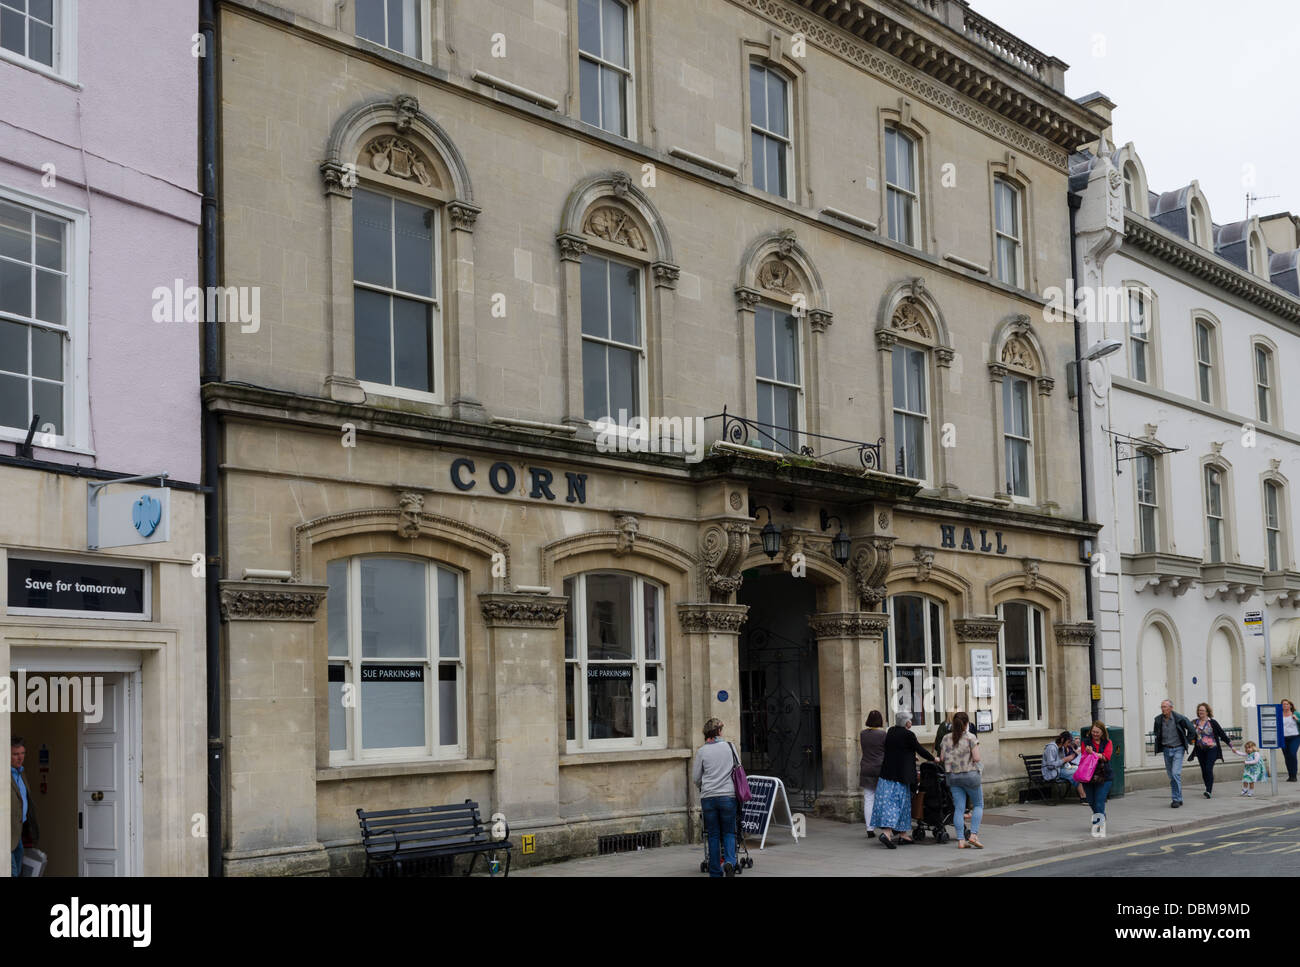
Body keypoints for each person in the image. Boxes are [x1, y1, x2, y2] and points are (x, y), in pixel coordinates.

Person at [871, 710, 935, 848]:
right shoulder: (909, 734)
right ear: (906, 722)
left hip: (886, 774)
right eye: (910, 720)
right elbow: (919, 749)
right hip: (900, 777)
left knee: (889, 804)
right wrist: (933, 758)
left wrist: (911, 755)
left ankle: (903, 835)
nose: (911, 722)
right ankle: (887, 834)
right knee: (898, 805)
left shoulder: (891, 732)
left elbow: (897, 750)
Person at [692, 717, 739, 877]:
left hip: (709, 797)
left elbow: (696, 778)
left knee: (712, 835)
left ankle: (715, 871)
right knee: (729, 832)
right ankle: (730, 862)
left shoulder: (702, 751)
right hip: (728, 796)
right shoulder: (730, 747)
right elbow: (738, 768)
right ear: (718, 731)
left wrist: (704, 786)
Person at [938, 711, 983, 849]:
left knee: (958, 808)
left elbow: (942, 758)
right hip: (970, 776)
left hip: (953, 776)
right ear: (966, 724)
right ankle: (973, 835)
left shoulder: (946, 738)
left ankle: (960, 840)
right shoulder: (970, 737)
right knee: (978, 805)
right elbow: (976, 758)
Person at [1152, 699, 1196, 808]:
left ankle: (1175, 799)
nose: (1163, 709)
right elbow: (1156, 732)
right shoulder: (1158, 720)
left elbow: (1192, 730)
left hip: (1178, 748)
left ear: (1171, 708)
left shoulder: (1180, 718)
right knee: (1171, 775)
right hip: (1167, 749)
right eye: (1162, 707)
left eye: (1165, 707)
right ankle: (1179, 797)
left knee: (1176, 773)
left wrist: (1187, 740)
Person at [1188, 702, 1238, 799]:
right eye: (1199, 710)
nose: (1200, 712)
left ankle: (1208, 790)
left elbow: (1222, 735)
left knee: (1208, 768)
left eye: (1202, 710)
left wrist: (1232, 746)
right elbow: (1189, 733)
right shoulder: (1194, 723)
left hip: (1212, 749)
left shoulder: (1212, 723)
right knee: (1203, 770)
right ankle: (1207, 786)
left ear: (1207, 712)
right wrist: (1189, 740)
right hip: (1200, 749)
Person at [10, 737, 38, 878]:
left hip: (18, 833)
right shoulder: (5, 775)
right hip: (6, 835)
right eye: (15, 754)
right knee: (12, 872)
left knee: (18, 871)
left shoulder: (21, 773)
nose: (20, 757)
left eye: (22, 753)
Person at [1080, 721, 1114, 833]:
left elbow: (1106, 757)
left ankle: (1098, 825)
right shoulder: (1085, 742)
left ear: (1103, 732)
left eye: (1097, 732)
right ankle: (1102, 816)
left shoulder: (1108, 742)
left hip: (1104, 776)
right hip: (1088, 776)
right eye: (1093, 732)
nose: (1095, 734)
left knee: (1099, 802)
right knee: (1091, 801)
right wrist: (1095, 754)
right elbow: (1084, 755)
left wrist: (1093, 753)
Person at [859, 710, 886, 839]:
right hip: (879, 768)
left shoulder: (863, 734)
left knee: (868, 798)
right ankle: (884, 825)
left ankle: (869, 828)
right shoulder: (883, 735)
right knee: (882, 798)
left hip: (866, 767)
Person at [1042, 731, 1087, 802]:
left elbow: (1062, 763)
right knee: (1075, 773)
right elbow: (1050, 766)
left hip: (1060, 770)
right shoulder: (1051, 748)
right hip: (1051, 772)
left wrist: (1069, 759)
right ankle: (1083, 797)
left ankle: (1084, 796)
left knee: (1079, 770)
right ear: (1063, 740)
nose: (1069, 744)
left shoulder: (1062, 748)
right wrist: (1065, 759)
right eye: (1068, 742)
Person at [1281, 699, 1300, 783]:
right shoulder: (1279, 715)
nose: (1285, 706)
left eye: (1287, 704)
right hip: (1283, 738)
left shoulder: (1295, 713)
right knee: (1287, 756)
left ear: (1290, 705)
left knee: (1292, 754)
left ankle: (1294, 775)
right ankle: (1290, 775)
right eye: (1283, 704)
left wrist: (1297, 719)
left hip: (1295, 737)